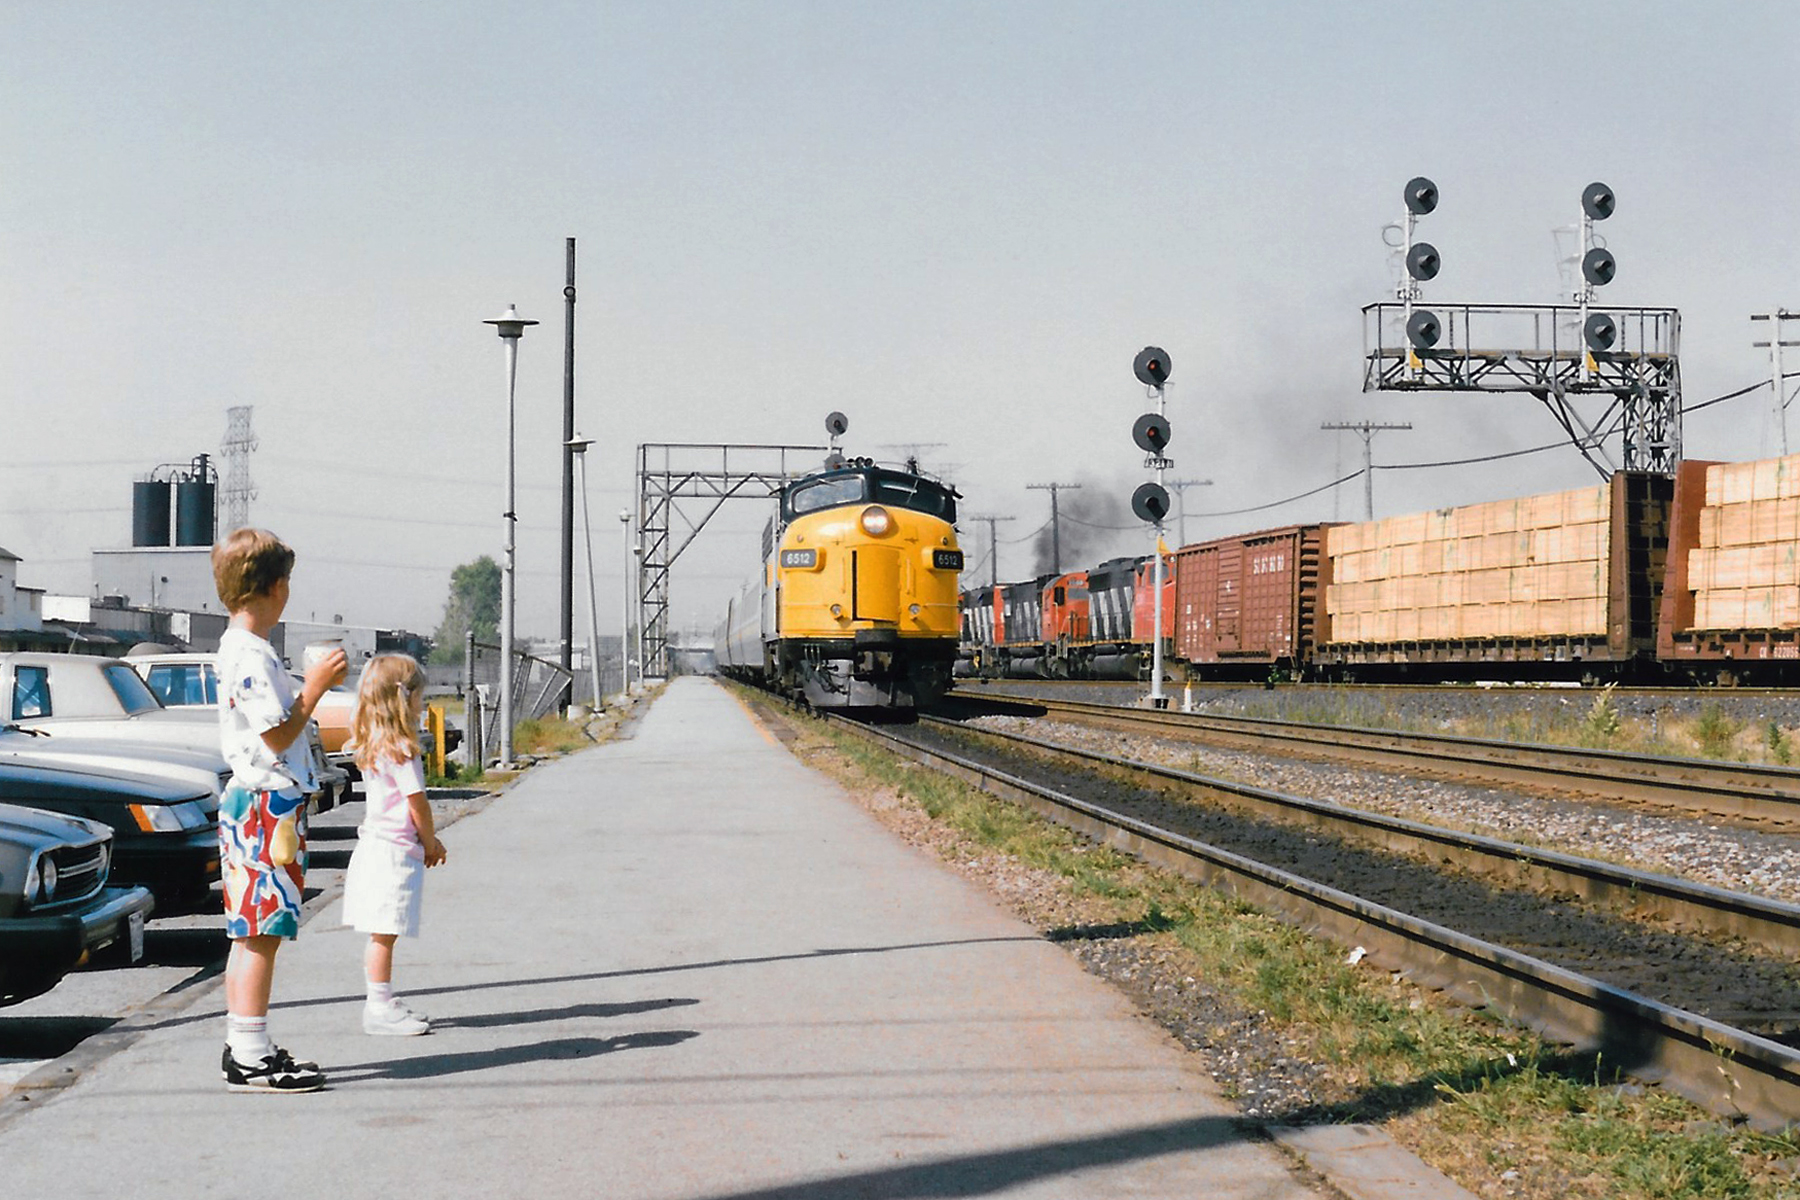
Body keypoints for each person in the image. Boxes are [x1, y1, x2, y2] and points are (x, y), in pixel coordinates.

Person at [213, 528, 348, 1093]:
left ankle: (246, 1044)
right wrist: (316, 687)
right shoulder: (250, 654)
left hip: (257, 803)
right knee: (263, 931)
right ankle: (251, 1056)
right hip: (267, 806)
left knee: (250, 933)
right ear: (271, 587)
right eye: (286, 580)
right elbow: (277, 734)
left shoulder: (243, 648)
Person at [341, 653, 447, 1036]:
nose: (423, 702)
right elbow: (417, 803)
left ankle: (382, 999)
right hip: (393, 853)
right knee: (385, 933)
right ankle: (378, 1006)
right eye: (420, 695)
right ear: (405, 699)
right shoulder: (403, 751)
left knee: (383, 931)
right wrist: (431, 842)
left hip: (376, 847)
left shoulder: (376, 745)